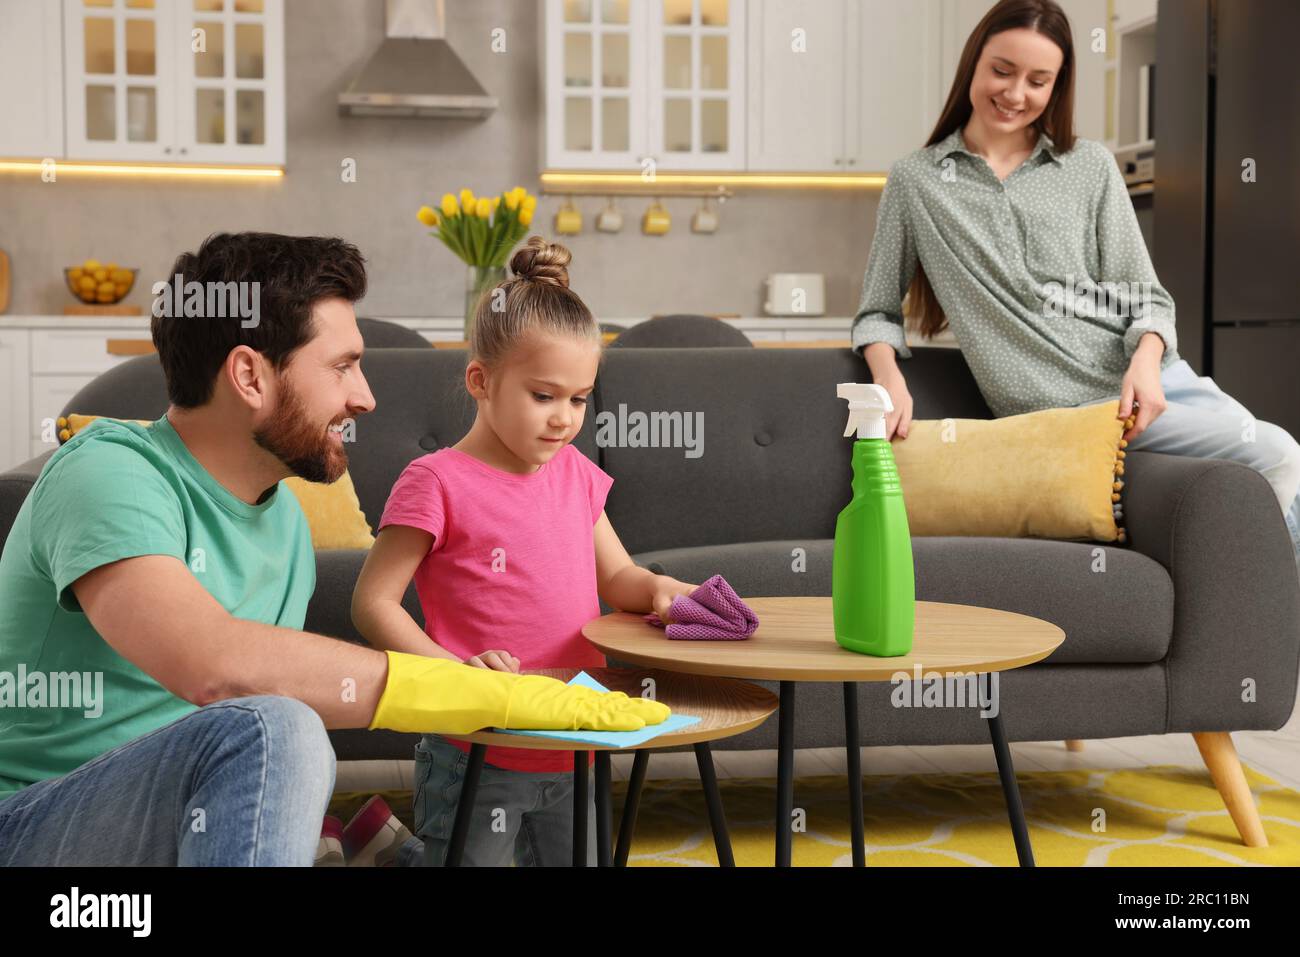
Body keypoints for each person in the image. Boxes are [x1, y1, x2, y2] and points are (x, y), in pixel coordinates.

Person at [0, 232, 667, 866]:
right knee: (276, 728)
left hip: (177, 831)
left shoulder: (283, 523)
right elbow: (213, 664)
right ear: (250, 376)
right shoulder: (110, 472)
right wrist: (476, 692)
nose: (366, 397)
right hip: (33, 828)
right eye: (343, 366)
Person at [850, 0, 1300, 572]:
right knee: (1280, 455)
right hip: (1073, 410)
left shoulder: (1087, 164)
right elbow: (877, 312)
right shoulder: (916, 180)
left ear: (1057, 86)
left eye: (1038, 80)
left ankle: (1270, 640)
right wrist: (889, 378)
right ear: (973, 65)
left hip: (1151, 383)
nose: (1016, 93)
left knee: (1281, 462)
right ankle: (1269, 635)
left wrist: (1147, 359)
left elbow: (1146, 297)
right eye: (1002, 70)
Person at [352, 236, 698, 866]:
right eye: (544, 396)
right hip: (476, 742)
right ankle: (387, 853)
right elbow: (373, 602)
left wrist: (660, 592)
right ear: (481, 381)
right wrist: (452, 673)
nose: (564, 418)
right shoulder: (435, 480)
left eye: (579, 399)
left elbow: (615, 574)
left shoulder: (576, 474)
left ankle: (387, 846)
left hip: (573, 733)